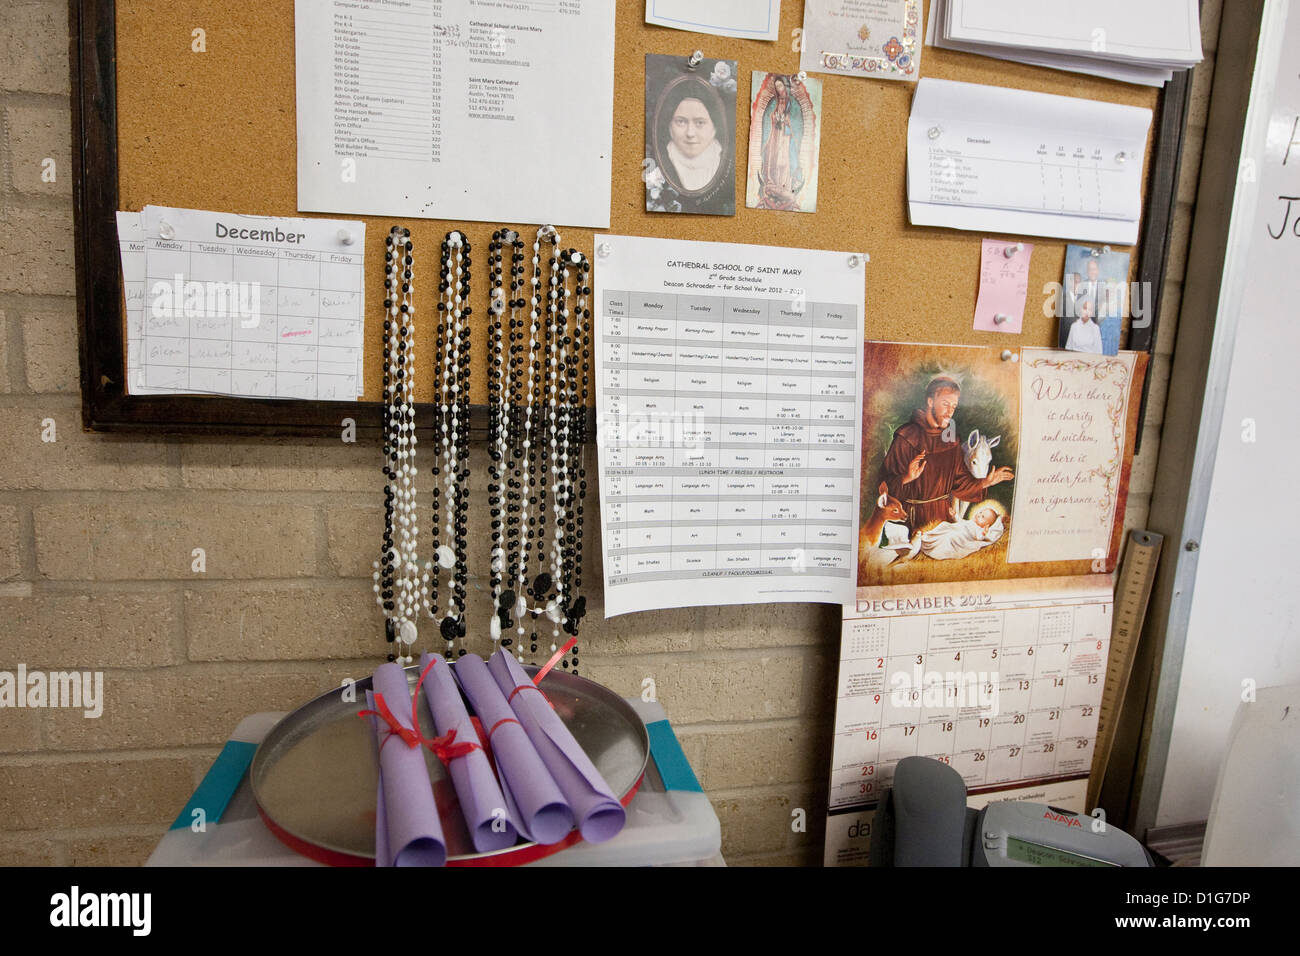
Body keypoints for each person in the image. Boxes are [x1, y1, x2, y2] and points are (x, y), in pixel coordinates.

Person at [880, 376, 1014, 532]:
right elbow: (884, 486)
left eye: (954, 406)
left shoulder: (951, 441)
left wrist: (986, 482)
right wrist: (907, 477)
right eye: (945, 404)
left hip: (944, 521)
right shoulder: (907, 437)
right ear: (930, 402)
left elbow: (961, 484)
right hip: (914, 521)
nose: (950, 411)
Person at [666, 96, 722, 192]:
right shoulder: (660, 160)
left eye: (700, 123)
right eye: (681, 122)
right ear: (670, 128)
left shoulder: (724, 161)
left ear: (714, 129)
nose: (690, 133)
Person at [915, 503, 1006, 560]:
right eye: (980, 512)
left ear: (986, 525)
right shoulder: (971, 522)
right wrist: (955, 516)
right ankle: (928, 537)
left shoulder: (979, 529)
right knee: (944, 525)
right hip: (956, 529)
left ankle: (937, 549)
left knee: (951, 537)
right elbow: (961, 522)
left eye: (983, 517)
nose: (979, 515)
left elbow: (979, 538)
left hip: (961, 537)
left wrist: (983, 533)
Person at [758, 77, 797, 209]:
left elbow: (795, 122)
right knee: (772, 157)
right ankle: (772, 183)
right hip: (775, 134)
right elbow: (770, 115)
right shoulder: (775, 102)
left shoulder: (791, 103)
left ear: (785, 87)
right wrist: (774, 118)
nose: (779, 89)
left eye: (781, 86)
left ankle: (783, 185)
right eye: (777, 87)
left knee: (783, 159)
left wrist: (787, 121)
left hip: (785, 136)